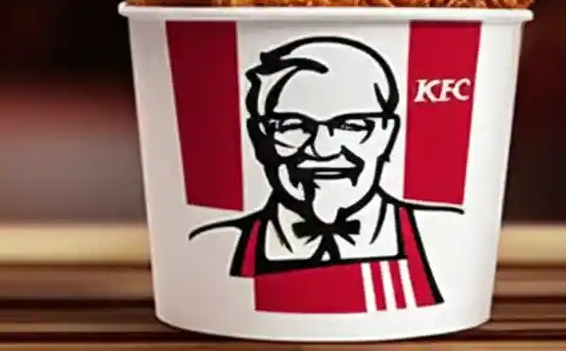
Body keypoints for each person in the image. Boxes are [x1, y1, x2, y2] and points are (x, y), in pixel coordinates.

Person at [192, 36, 457, 312]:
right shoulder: (214, 246)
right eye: (292, 126)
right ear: (259, 138)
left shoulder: (444, 232)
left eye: (352, 125)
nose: (323, 149)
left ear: (387, 135)